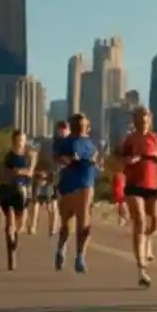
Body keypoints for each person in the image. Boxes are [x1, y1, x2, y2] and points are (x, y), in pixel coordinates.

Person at [120, 107, 157, 288]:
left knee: (155, 222)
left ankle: (147, 241)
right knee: (139, 220)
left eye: (145, 118)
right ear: (134, 120)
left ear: (150, 119)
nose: (142, 121)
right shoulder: (129, 139)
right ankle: (141, 269)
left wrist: (155, 155)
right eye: (139, 119)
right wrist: (130, 160)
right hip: (134, 185)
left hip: (152, 184)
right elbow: (120, 160)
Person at [54, 114, 99, 274]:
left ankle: (80, 256)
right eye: (77, 125)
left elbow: (95, 159)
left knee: (84, 220)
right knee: (67, 224)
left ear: (88, 126)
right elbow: (58, 158)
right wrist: (69, 160)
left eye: (82, 125)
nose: (80, 127)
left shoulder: (92, 145)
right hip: (68, 184)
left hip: (86, 181)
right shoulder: (66, 142)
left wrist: (95, 162)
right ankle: (61, 247)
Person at [0, 130, 34, 271]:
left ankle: (14, 239)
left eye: (23, 140)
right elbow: (4, 173)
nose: (20, 143)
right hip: (8, 190)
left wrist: (21, 172)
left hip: (22, 191)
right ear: (13, 141)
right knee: (10, 224)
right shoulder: (9, 156)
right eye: (18, 140)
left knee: (20, 223)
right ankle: (10, 254)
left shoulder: (29, 156)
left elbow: (30, 172)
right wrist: (12, 174)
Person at [28, 170, 55, 236]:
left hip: (48, 185)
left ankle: (52, 227)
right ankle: (33, 226)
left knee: (50, 208)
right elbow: (31, 170)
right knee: (35, 204)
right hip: (38, 183)